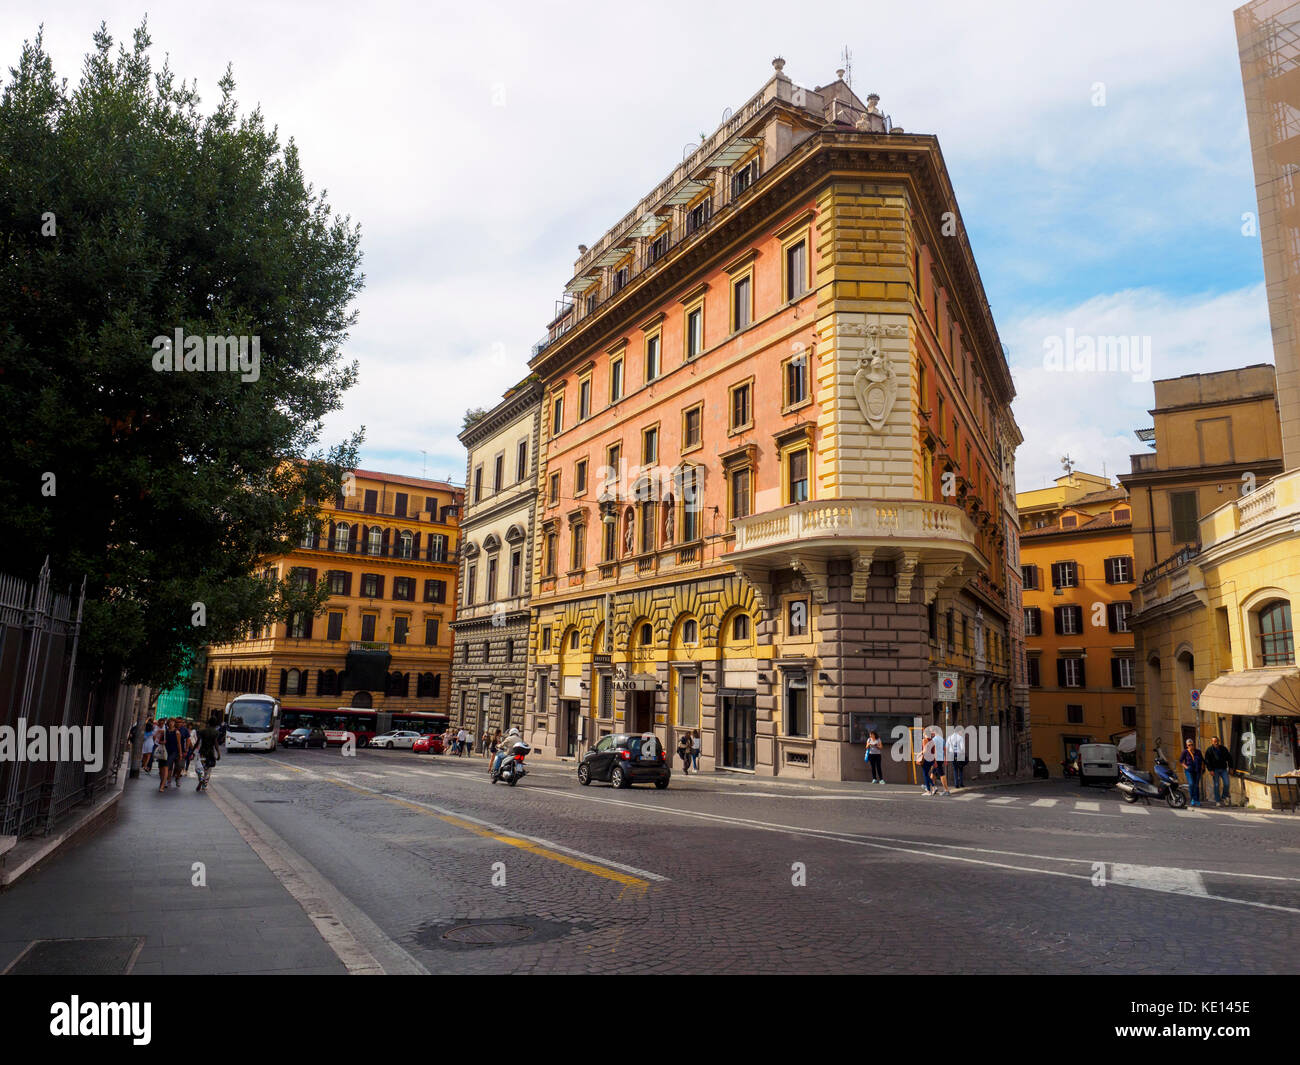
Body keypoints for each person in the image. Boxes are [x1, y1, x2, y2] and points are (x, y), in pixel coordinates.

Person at [1204, 735, 1233, 807]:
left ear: (1218, 741)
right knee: (1216, 785)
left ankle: (1224, 796)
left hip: (1223, 769)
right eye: (1214, 741)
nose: (1215, 743)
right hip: (1215, 770)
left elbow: (1229, 758)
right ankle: (1217, 801)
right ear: (1212, 742)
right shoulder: (1209, 750)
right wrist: (1210, 770)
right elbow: (1207, 761)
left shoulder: (1223, 749)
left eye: (1216, 741)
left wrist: (1231, 767)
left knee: (1227, 783)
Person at [195, 715, 220, 792]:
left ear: (208, 722)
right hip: (210, 753)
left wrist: (192, 751)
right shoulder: (216, 732)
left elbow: (197, 742)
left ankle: (201, 779)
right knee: (208, 769)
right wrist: (218, 753)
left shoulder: (202, 731)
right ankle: (204, 785)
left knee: (199, 768)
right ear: (215, 724)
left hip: (202, 752)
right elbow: (215, 744)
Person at [1179, 738, 1205, 807]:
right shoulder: (1185, 752)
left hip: (1197, 770)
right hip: (1189, 770)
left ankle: (1197, 800)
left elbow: (1202, 760)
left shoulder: (1198, 752)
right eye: (1189, 745)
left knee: (1196, 785)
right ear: (1187, 745)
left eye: (1192, 744)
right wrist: (1186, 767)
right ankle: (1192, 799)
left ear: (1194, 744)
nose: (1190, 746)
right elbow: (1181, 761)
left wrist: (1202, 768)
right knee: (1191, 784)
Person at [929, 729, 952, 796]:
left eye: (932, 732)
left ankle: (946, 790)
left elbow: (933, 751)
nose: (931, 733)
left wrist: (935, 761)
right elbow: (945, 749)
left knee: (941, 773)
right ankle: (933, 788)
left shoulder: (934, 740)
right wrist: (945, 759)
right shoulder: (942, 739)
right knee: (933, 773)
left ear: (934, 732)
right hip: (941, 759)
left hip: (936, 759)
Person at [155, 721, 172, 793]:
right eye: (170, 723)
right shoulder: (164, 732)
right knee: (161, 769)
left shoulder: (177, 732)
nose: (171, 724)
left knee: (166, 768)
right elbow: (159, 741)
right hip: (163, 752)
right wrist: (163, 742)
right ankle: (162, 781)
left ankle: (162, 785)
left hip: (171, 753)